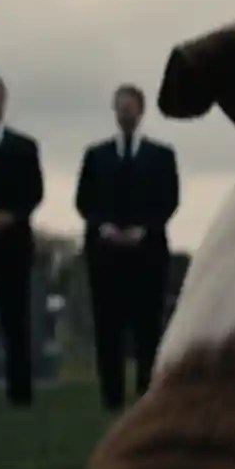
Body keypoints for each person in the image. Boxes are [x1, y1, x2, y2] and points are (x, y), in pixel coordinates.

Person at [76, 84, 179, 410]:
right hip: (105, 255)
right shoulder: (96, 156)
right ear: (114, 110)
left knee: (148, 325)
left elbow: (169, 199)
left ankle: (147, 392)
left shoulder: (162, 156)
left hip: (147, 253)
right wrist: (103, 227)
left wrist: (143, 229)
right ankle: (112, 396)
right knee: (108, 326)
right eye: (120, 106)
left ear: (141, 110)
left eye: (130, 106)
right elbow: (84, 200)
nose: (125, 112)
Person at [0, 74, 44, 407]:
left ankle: (20, 393)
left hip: (12, 244)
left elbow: (34, 191)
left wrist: (9, 216)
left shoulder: (24, 147)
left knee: (15, 320)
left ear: (4, 102)